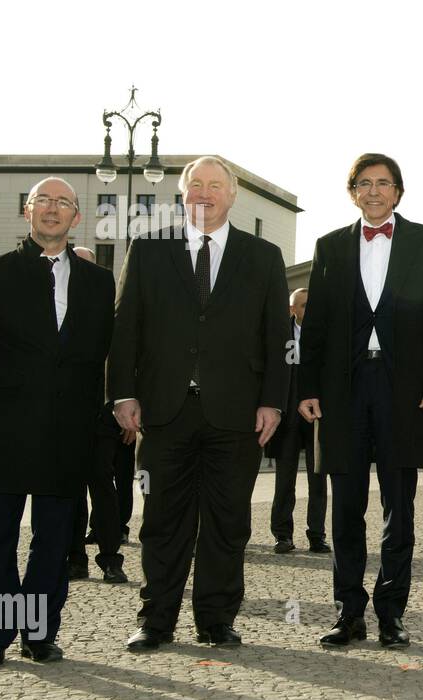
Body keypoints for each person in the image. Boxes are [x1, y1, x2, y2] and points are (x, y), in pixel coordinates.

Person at [111, 156, 290, 651]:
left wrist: (273, 401)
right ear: (182, 193)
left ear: (233, 196)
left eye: (215, 186)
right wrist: (123, 393)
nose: (204, 194)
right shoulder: (149, 249)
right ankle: (155, 621)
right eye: (196, 186)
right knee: (162, 521)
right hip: (163, 412)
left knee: (227, 522)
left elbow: (277, 337)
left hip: (236, 414)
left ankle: (216, 620)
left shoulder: (263, 256)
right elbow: (125, 327)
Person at [298, 153, 423, 649]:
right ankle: (348, 613)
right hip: (342, 394)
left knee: (398, 509)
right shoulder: (328, 248)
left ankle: (391, 613)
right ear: (352, 193)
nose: (373, 191)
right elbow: (316, 325)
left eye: (383, 183)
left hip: (405, 393)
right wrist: (307, 388)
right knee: (344, 510)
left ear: (398, 192)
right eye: (363, 184)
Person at [0, 178, 114, 666]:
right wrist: (11, 392)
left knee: (54, 541)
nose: (52, 209)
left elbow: (99, 356)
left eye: (63, 202)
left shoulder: (98, 282)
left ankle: (39, 633)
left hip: (68, 433)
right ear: (27, 212)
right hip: (4, 428)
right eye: (42, 201)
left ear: (76, 218)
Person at [67, 246, 133, 585]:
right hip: (64, 419)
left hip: (104, 419)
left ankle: (110, 558)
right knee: (68, 492)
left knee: (102, 488)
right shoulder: (58, 310)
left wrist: (128, 410)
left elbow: (127, 363)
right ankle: (74, 558)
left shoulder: (112, 316)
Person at [266, 288, 330, 555]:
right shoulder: (281, 335)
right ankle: (283, 535)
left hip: (317, 417)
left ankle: (317, 535)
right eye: (304, 305)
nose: (309, 310)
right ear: (293, 309)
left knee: (318, 479)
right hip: (288, 418)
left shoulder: (326, 334)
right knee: (285, 480)